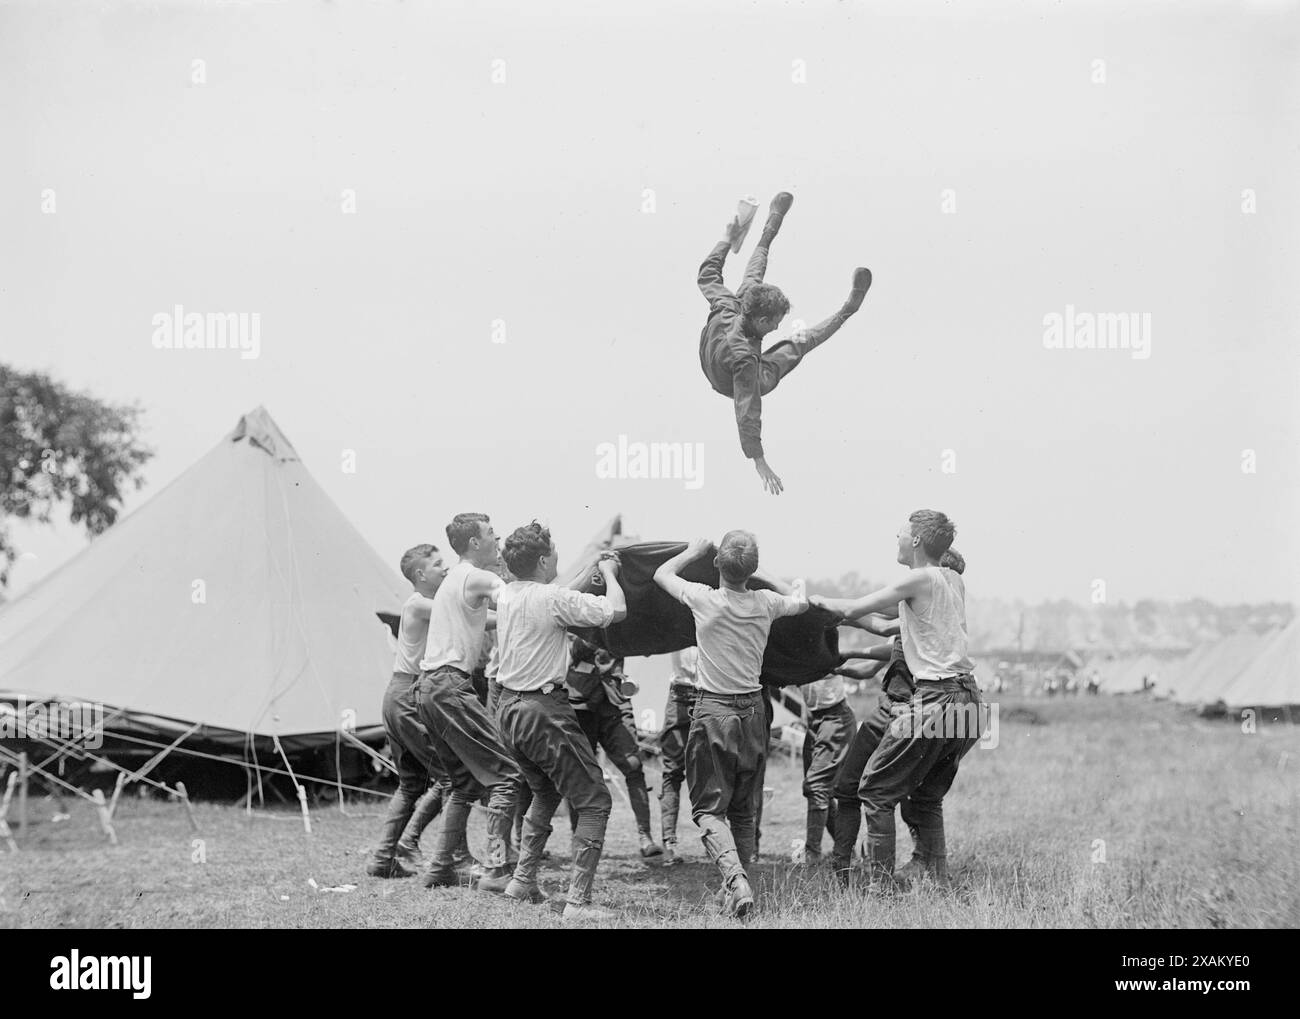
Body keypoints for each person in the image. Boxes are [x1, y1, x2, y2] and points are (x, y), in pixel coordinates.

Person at [812, 513, 981, 890]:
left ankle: (880, 887)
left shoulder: (917, 578)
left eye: (902, 531)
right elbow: (884, 617)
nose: (898, 536)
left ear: (917, 540)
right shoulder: (951, 580)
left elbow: (856, 608)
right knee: (926, 794)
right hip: (969, 703)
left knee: (873, 789)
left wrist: (815, 602)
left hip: (938, 699)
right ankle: (937, 876)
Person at [653, 532, 809, 918]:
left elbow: (661, 574)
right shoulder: (767, 602)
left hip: (713, 712)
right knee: (742, 810)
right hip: (754, 713)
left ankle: (736, 880)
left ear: (717, 565)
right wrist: (780, 579)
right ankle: (738, 889)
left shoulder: (704, 598)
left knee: (708, 810)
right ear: (752, 570)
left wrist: (692, 551)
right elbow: (800, 601)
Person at [492, 523, 628, 921]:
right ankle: (577, 904)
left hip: (509, 709)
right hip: (543, 710)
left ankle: (522, 881)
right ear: (542, 560)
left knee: (545, 792)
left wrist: (594, 570)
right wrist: (613, 576)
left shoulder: (508, 594)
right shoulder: (550, 597)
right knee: (595, 800)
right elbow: (615, 611)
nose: (557, 558)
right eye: (553, 552)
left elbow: (563, 590)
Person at [697, 191, 872, 495]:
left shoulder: (730, 303)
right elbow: (747, 411)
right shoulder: (746, 362)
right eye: (775, 322)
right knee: (799, 343)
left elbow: (708, 274)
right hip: (726, 377)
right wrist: (758, 460)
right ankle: (848, 310)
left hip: (717, 347)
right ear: (762, 321)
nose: (778, 326)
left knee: (752, 275)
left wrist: (727, 238)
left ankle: (770, 227)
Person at [414, 513, 521, 893]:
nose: (498, 540)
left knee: (462, 783)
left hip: (430, 687)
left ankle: (441, 866)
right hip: (450, 685)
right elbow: (515, 599)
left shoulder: (454, 581)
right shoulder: (476, 577)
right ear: (475, 543)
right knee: (507, 775)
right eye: (492, 534)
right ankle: (496, 870)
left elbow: (489, 619)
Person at [367, 543, 450, 878]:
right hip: (408, 695)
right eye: (438, 564)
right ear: (420, 574)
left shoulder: (424, 605)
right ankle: (409, 841)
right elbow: (461, 614)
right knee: (451, 776)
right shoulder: (419, 605)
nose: (445, 568)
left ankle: (382, 858)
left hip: (398, 693)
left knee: (411, 784)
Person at [567, 636, 663, 859]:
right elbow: (578, 650)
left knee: (633, 764)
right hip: (580, 702)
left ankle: (645, 837)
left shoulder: (619, 613)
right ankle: (578, 839)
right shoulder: (577, 608)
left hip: (615, 701)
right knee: (579, 774)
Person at [796, 669, 858, 865]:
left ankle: (812, 852)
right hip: (814, 720)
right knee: (822, 791)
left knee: (817, 787)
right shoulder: (795, 649)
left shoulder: (824, 642)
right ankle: (845, 850)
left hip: (835, 717)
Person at [658, 646, 699, 866]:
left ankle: (717, 841)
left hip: (709, 695)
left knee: (712, 772)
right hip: (679, 694)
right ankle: (669, 843)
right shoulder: (677, 614)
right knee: (672, 771)